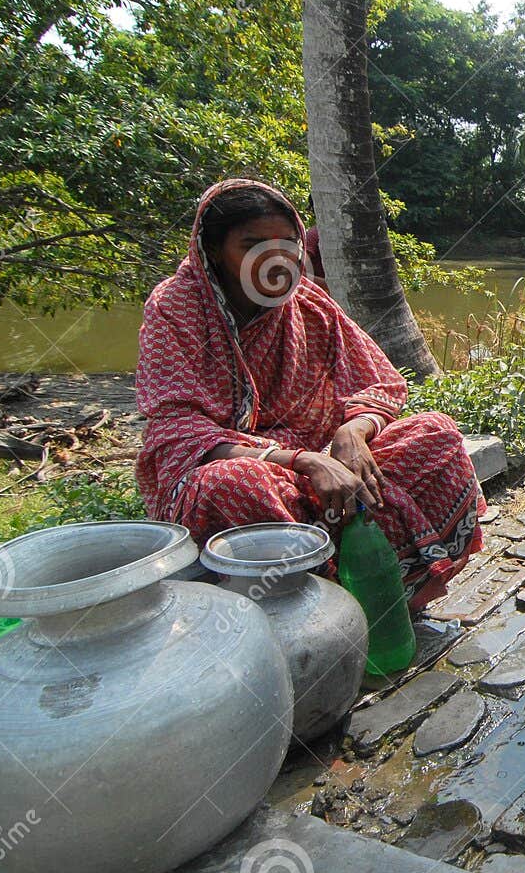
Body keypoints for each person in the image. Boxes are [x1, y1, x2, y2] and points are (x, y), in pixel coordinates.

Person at [135, 178, 486, 611]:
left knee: (436, 433)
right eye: (251, 245)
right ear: (212, 251)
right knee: (241, 486)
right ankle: (315, 610)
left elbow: (379, 381)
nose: (275, 260)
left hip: (320, 454)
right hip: (237, 466)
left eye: (287, 244)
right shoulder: (176, 307)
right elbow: (178, 431)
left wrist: (353, 432)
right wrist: (300, 461)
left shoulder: (309, 303)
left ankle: (392, 592)